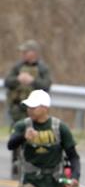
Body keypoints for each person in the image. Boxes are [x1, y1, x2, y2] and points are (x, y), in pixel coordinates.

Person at [6, 89, 79, 187]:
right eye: (28, 107)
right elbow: (10, 145)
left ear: (45, 108)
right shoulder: (23, 126)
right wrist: (23, 137)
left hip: (53, 184)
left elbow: (73, 155)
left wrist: (75, 176)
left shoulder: (59, 127)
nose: (29, 110)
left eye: (33, 107)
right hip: (30, 181)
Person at [5, 40, 52, 179]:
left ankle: (35, 165)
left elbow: (46, 85)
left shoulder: (42, 68)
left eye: (26, 51)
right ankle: (16, 164)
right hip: (18, 109)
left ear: (34, 53)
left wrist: (32, 81)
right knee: (17, 134)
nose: (23, 54)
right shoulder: (18, 66)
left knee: (36, 136)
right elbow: (7, 81)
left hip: (36, 110)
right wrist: (18, 79)